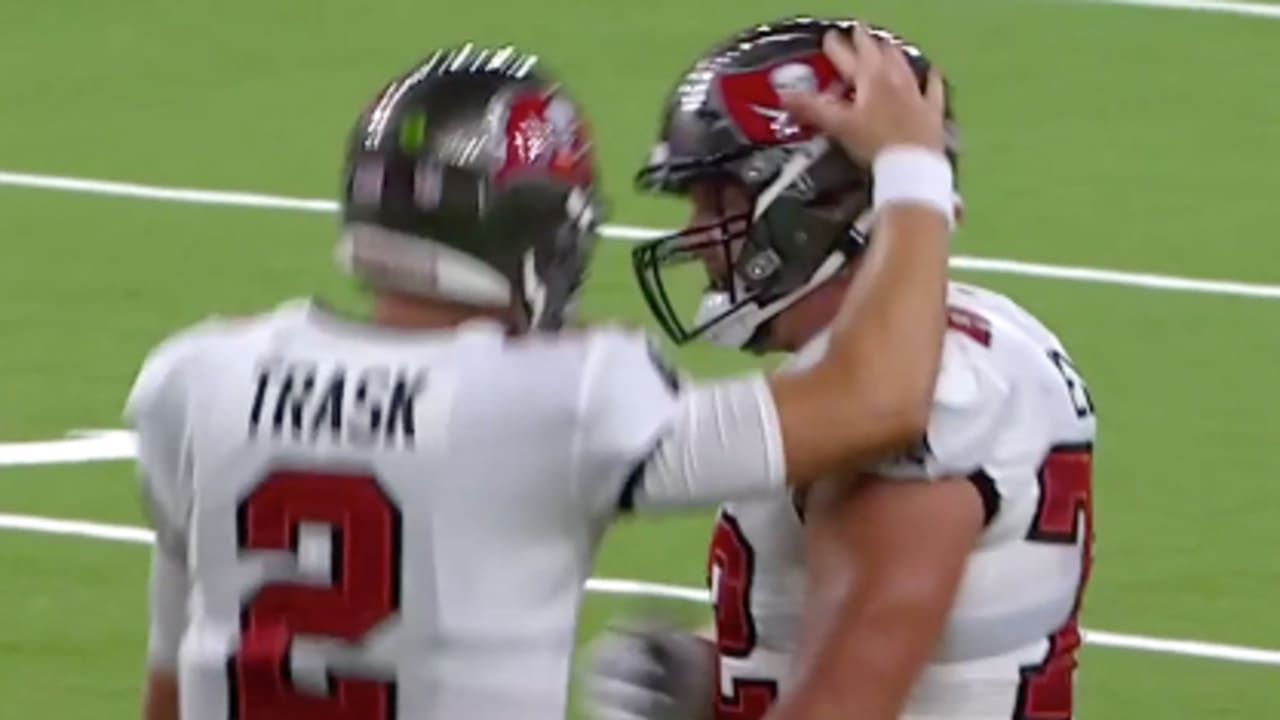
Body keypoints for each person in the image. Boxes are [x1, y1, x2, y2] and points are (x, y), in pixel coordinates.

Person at [129, 36, 957, 720]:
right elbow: (878, 400)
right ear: (541, 236)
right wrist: (912, 166)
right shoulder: (568, 396)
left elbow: (170, 685)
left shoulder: (194, 378)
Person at [587, 17, 1097, 720]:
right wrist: (710, 674)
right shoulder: (976, 341)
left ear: (812, 202)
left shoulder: (922, 402)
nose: (699, 239)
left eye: (719, 201)